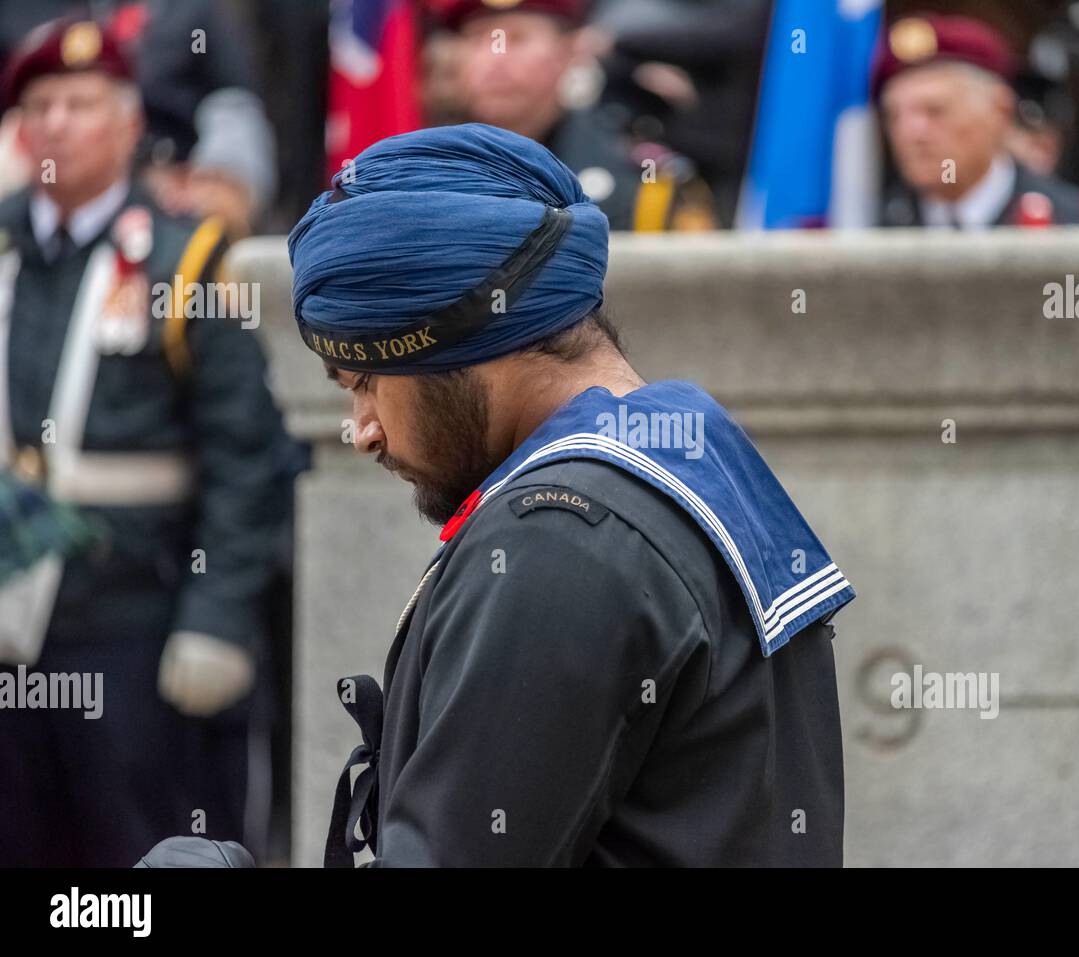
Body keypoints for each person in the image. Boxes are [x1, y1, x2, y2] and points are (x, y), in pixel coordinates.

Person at [140, 122, 853, 868]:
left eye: (364, 383)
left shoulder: (560, 537)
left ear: (464, 347)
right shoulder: (689, 447)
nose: (365, 431)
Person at [0, 16, 291, 866]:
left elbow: (248, 453)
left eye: (81, 103)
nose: (56, 123)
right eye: (40, 105)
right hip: (11, 625)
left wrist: (219, 616)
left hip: (135, 625)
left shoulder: (192, 260)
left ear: (130, 125)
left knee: (136, 859)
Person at [440, 0, 717, 231]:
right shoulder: (429, 171)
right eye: (477, 40)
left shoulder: (644, 182)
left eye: (518, 38)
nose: (495, 59)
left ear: (569, 52)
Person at [874, 13, 1079, 228]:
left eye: (935, 110)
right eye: (894, 115)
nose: (910, 132)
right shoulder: (869, 227)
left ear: (1000, 111)